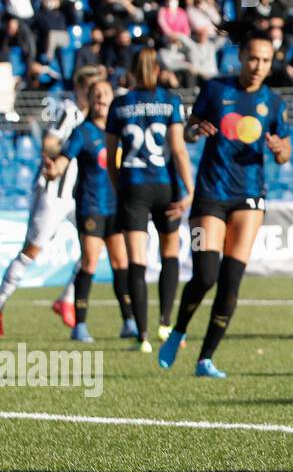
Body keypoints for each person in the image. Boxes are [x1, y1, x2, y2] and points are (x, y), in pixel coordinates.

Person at [157, 34, 292, 378]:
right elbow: (187, 133)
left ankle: (206, 359)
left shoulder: (273, 102)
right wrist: (195, 131)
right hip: (211, 194)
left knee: (231, 281)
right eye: (253, 59)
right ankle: (179, 329)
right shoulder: (216, 90)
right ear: (241, 57)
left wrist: (279, 150)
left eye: (265, 60)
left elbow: (285, 152)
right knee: (205, 275)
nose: (259, 66)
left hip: (249, 196)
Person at [105, 48, 194, 353]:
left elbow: (111, 158)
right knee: (170, 254)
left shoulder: (119, 104)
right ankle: (165, 323)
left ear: (131, 71)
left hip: (133, 186)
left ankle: (141, 336)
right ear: (157, 70)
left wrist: (120, 188)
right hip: (165, 184)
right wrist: (189, 188)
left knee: (137, 261)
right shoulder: (170, 101)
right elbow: (179, 150)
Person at [0, 66, 99, 336]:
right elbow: (49, 144)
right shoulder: (69, 112)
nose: (94, 94)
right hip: (54, 192)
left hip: (78, 194)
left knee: (94, 245)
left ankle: (66, 299)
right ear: (79, 88)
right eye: (89, 88)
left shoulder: (97, 118)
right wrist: (68, 149)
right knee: (32, 251)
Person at [42, 80, 134, 342]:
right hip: (91, 205)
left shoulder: (122, 131)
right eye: (96, 95)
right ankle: (79, 326)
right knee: (90, 262)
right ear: (90, 100)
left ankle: (128, 321)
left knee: (121, 263)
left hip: (117, 207)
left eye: (105, 94)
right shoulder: (83, 131)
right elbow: (63, 159)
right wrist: (53, 170)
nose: (101, 99)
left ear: (112, 98)